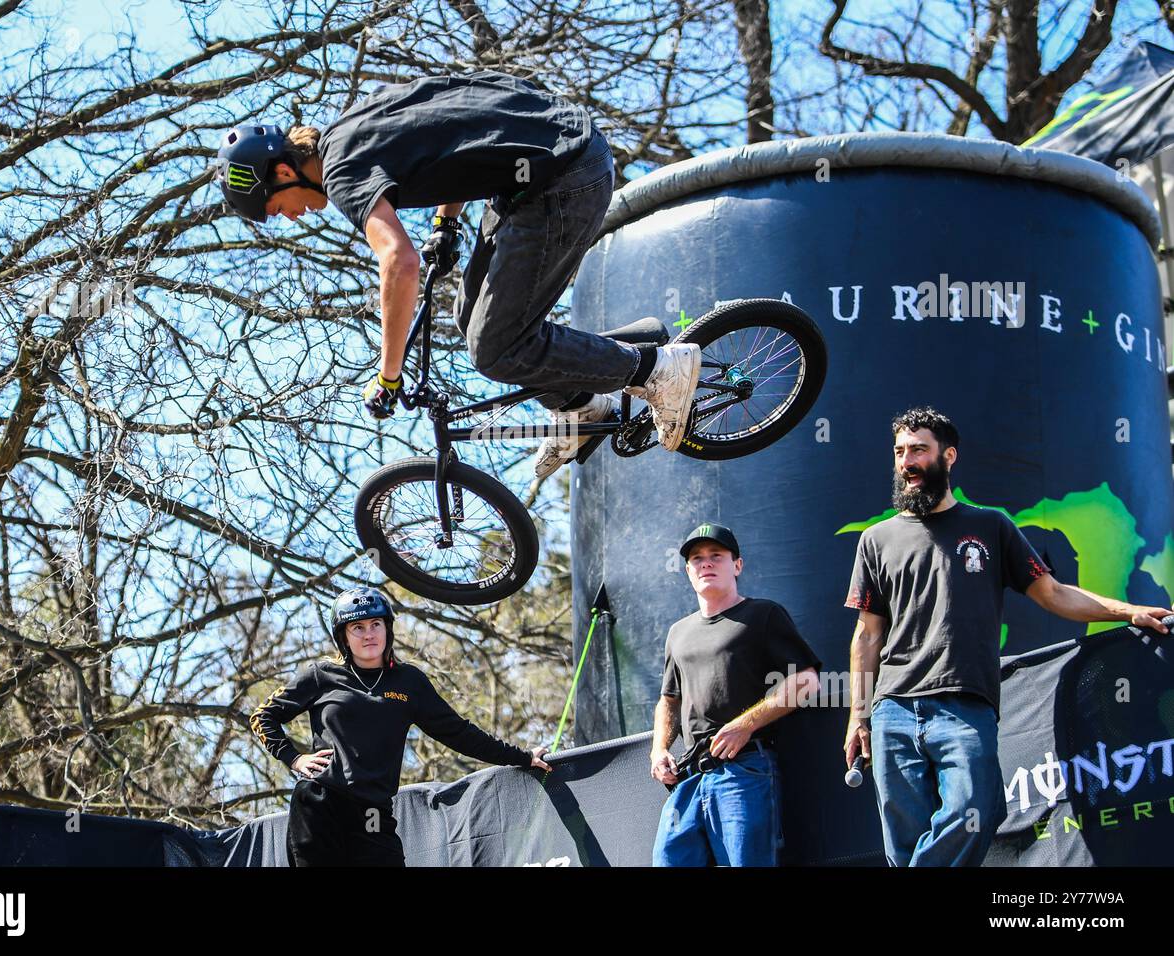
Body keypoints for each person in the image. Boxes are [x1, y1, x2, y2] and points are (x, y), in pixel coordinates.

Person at [212, 70, 702, 477]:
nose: (291, 216)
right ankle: (579, 405)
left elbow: (398, 263)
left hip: (562, 174)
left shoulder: (340, 173)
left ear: (282, 173)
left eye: (277, 209)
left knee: (497, 348)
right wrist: (447, 223)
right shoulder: (354, 125)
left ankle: (656, 371)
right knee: (470, 317)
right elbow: (459, 128)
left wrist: (389, 374)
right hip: (534, 171)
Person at [843, 406, 1173, 867]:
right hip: (892, 708)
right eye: (899, 452)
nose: (907, 462)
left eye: (919, 449)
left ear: (948, 455)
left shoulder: (990, 526)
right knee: (903, 839)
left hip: (964, 703)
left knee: (977, 808)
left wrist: (1129, 610)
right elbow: (867, 634)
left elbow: (1054, 594)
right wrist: (859, 715)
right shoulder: (875, 540)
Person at [249, 586, 551, 866]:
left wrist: (522, 757)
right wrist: (294, 758)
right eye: (358, 627)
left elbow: (459, 733)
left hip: (372, 812)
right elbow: (263, 716)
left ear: (387, 629)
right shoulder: (320, 675)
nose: (369, 634)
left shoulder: (409, 682)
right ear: (343, 636)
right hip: (321, 803)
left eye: (375, 625)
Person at [650, 523, 822, 866]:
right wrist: (659, 750)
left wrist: (744, 724)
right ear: (688, 571)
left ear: (737, 565)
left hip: (744, 771)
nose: (706, 563)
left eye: (716, 555)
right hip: (688, 777)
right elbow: (669, 700)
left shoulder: (762, 614)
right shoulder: (677, 632)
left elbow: (807, 681)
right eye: (697, 558)